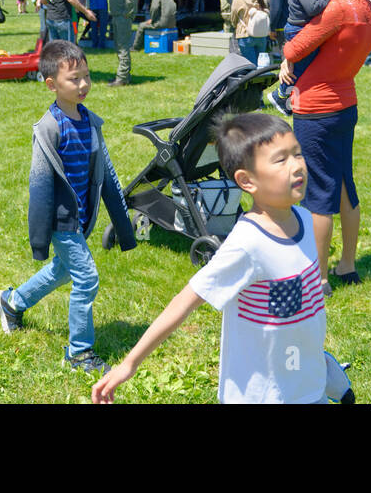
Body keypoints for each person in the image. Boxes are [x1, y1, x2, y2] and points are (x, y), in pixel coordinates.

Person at [92, 113, 334, 404]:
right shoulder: (248, 244)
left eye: (297, 153)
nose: (297, 165)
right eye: (281, 160)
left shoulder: (306, 220)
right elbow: (186, 300)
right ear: (247, 181)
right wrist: (128, 364)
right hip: (264, 395)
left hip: (308, 385)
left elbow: (305, 312)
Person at [0, 40, 136, 373]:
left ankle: (12, 303)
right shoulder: (49, 129)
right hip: (61, 220)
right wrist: (40, 238)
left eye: (86, 76)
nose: (84, 84)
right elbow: (39, 186)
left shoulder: (90, 123)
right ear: (51, 85)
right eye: (75, 79)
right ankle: (79, 352)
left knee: (64, 270)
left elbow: (108, 177)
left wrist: (123, 228)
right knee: (87, 278)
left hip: (82, 218)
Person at [279, 0, 371, 292]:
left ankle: (318, 278)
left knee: (318, 192)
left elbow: (293, 47)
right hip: (345, 102)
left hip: (316, 108)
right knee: (344, 184)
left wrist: (286, 58)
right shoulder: (368, 8)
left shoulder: (337, 8)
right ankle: (347, 265)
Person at [268, 0, 333, 112]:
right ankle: (280, 96)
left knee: (304, 68)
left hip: (303, 28)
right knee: (298, 68)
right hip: (298, 30)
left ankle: (291, 99)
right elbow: (313, 7)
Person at [106, 0, 138, 87]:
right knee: (119, 46)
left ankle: (122, 78)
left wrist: (128, 12)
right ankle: (124, 75)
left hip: (122, 16)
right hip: (117, 15)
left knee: (123, 46)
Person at [231, 0, 271, 65]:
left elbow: (233, 19)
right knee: (261, 65)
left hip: (245, 34)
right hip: (261, 34)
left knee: (250, 65)